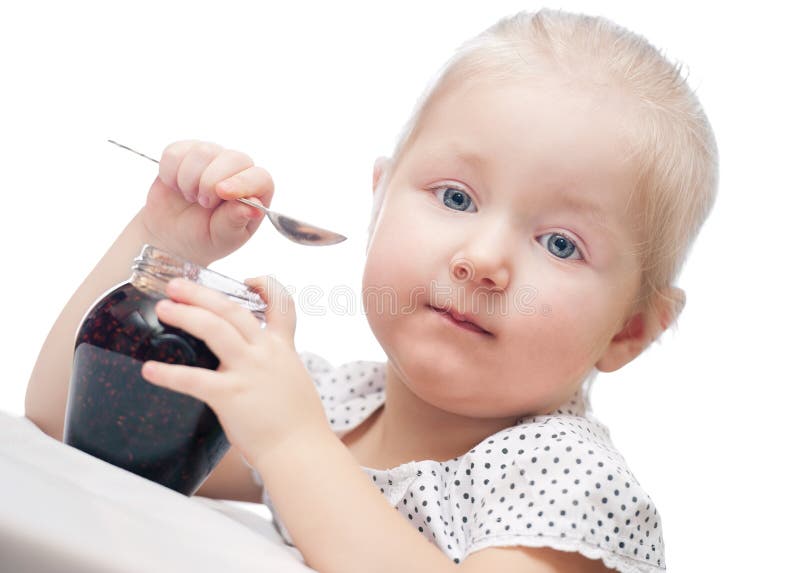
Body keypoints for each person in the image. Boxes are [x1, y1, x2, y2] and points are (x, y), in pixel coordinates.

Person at [25, 8, 718, 573]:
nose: (482, 259)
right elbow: (72, 419)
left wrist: (293, 444)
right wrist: (167, 248)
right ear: (379, 199)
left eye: (560, 243)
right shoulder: (334, 408)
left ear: (630, 328)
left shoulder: (570, 485)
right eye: (455, 195)